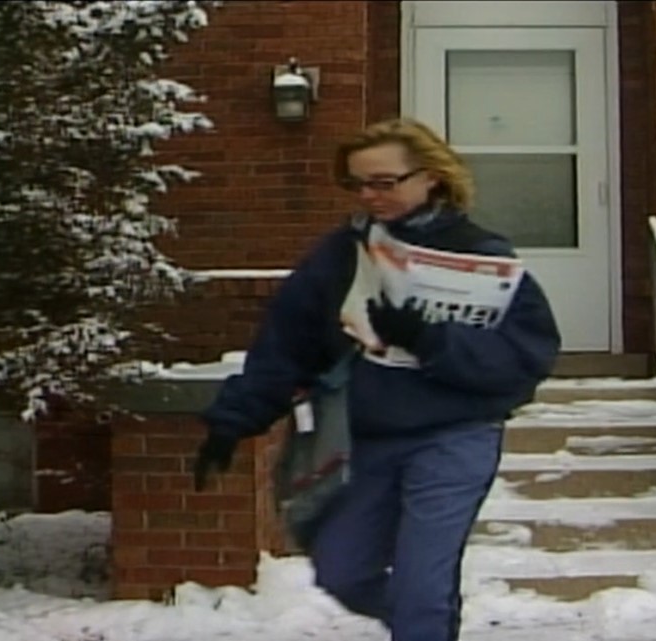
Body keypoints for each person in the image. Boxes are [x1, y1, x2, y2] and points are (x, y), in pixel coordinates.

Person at [192, 118, 562, 641]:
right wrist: (233, 420)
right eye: (357, 184)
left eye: (383, 183)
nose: (369, 196)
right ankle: (429, 622)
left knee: (421, 586)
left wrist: (431, 339)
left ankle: (424, 620)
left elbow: (525, 359)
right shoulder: (340, 256)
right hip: (363, 438)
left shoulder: (481, 254)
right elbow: (285, 345)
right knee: (341, 571)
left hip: (455, 437)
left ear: (430, 177)